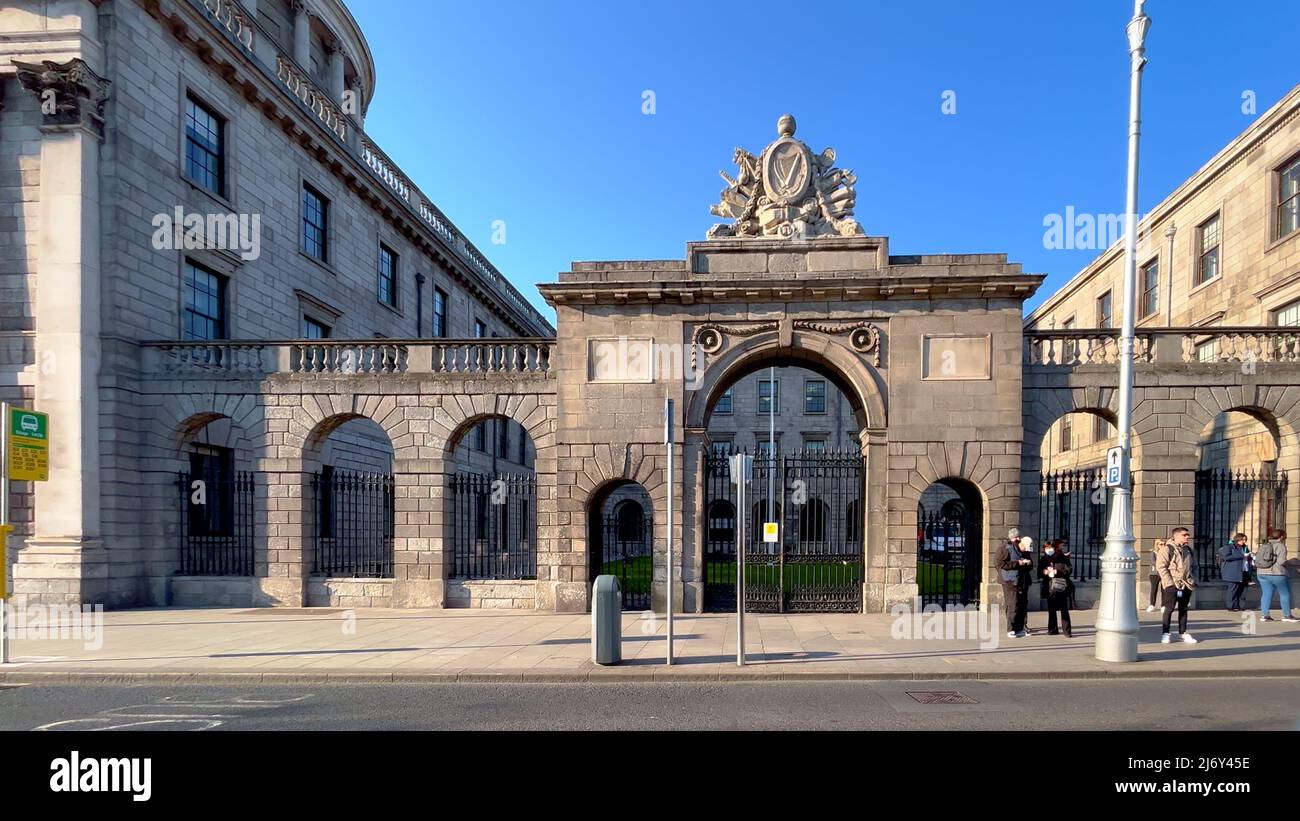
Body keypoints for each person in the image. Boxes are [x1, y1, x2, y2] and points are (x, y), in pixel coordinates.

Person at [1156, 527, 1198, 644]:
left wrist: (1194, 579)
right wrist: (1169, 583)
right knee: (1169, 609)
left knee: (1183, 609)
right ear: (1176, 536)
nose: (1187, 537)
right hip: (1173, 583)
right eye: (1184, 535)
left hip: (1186, 584)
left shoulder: (1188, 549)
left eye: (1187, 534)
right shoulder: (1166, 549)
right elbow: (1161, 566)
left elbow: (1194, 566)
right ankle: (1165, 633)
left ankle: (1182, 633)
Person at [1255, 528, 1299, 623]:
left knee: (1266, 593)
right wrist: (1289, 562)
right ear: (1282, 536)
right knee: (1285, 594)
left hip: (1261, 572)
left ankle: (1264, 615)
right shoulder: (1281, 546)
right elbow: (1281, 561)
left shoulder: (1264, 545)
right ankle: (1287, 615)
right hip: (1277, 573)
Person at [998, 530, 1034, 638]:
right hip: (1010, 581)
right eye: (1017, 537)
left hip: (1022, 581)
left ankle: (1020, 628)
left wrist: (1026, 563)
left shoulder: (1024, 551)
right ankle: (1011, 629)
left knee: (1022, 605)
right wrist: (1018, 563)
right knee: (1013, 604)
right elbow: (999, 564)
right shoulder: (1005, 548)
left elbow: (1031, 565)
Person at [1039, 539, 1073, 637]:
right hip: (1049, 586)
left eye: (1051, 548)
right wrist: (1044, 572)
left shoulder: (1063, 557)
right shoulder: (1043, 559)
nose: (1049, 550)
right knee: (1051, 609)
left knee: (1064, 609)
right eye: (1047, 548)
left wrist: (1056, 571)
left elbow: (1069, 570)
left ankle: (1067, 631)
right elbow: (1039, 572)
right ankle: (1052, 629)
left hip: (1061, 586)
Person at [1217, 533, 1249, 612]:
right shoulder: (1229, 547)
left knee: (1242, 589)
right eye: (1242, 539)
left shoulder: (1244, 547)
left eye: (1245, 540)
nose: (1244, 541)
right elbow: (1226, 557)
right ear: (1237, 539)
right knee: (1232, 589)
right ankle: (1230, 606)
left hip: (1244, 570)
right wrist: (1242, 556)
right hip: (1233, 571)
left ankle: (1240, 606)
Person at [1145, 538, 1166, 613]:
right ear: (1157, 545)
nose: (1163, 546)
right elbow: (1153, 562)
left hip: (1164, 573)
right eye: (1161, 544)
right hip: (1154, 573)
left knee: (1164, 590)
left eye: (1164, 544)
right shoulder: (1153, 553)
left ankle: (1163, 605)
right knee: (1154, 589)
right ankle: (1152, 605)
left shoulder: (1166, 552)